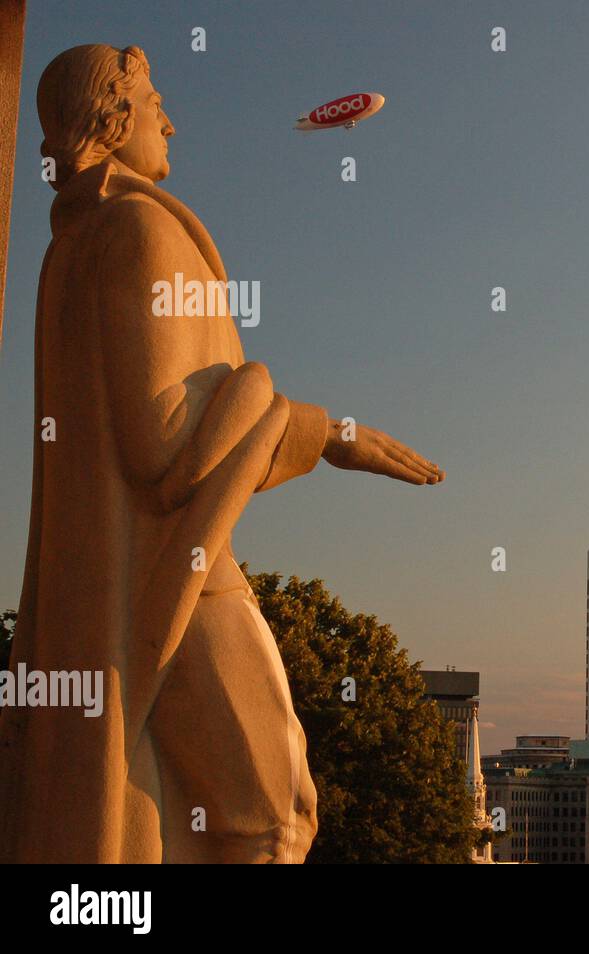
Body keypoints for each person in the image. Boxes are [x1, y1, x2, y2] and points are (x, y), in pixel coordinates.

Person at [0, 44, 442, 862]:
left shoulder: (71, 248)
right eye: (155, 99)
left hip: (128, 583)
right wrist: (312, 425)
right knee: (276, 817)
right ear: (114, 117)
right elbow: (165, 451)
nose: (171, 119)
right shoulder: (138, 231)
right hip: (180, 580)